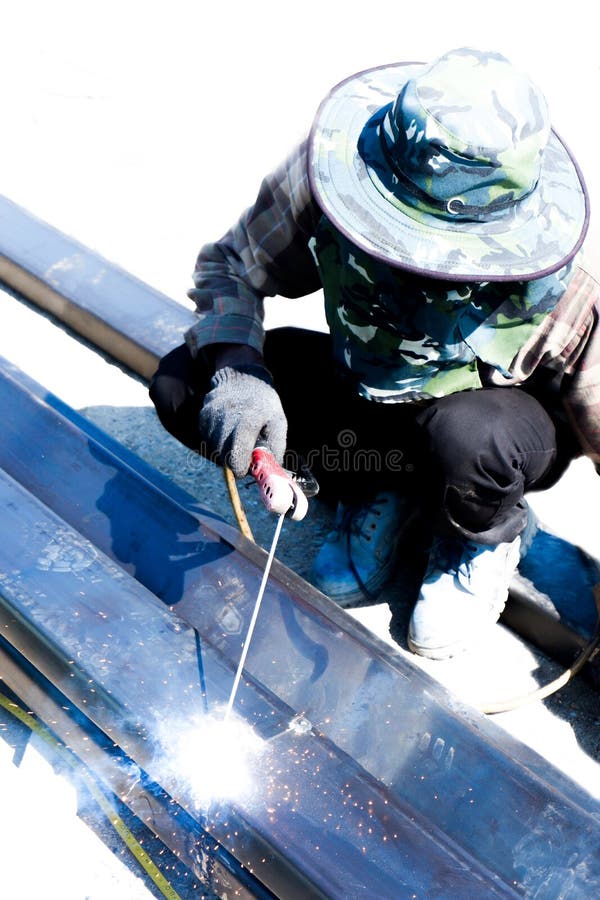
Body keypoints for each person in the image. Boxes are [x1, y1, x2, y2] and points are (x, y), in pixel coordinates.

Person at [150, 47, 600, 660]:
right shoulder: (332, 176)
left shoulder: (559, 285)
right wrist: (239, 375)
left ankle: (480, 534)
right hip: (367, 395)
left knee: (475, 440)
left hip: (483, 438)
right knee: (185, 385)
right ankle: (380, 486)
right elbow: (232, 264)